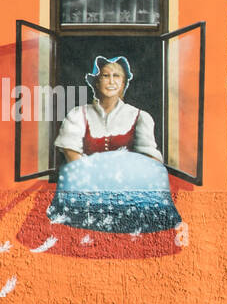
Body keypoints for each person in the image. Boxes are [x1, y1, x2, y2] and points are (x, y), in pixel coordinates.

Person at [47, 56, 180, 234]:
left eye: (116, 76)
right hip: (88, 181)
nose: (111, 81)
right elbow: (72, 155)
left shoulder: (139, 116)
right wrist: (99, 174)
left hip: (127, 186)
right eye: (105, 76)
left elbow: (149, 159)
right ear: (95, 82)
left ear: (124, 82)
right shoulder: (78, 114)